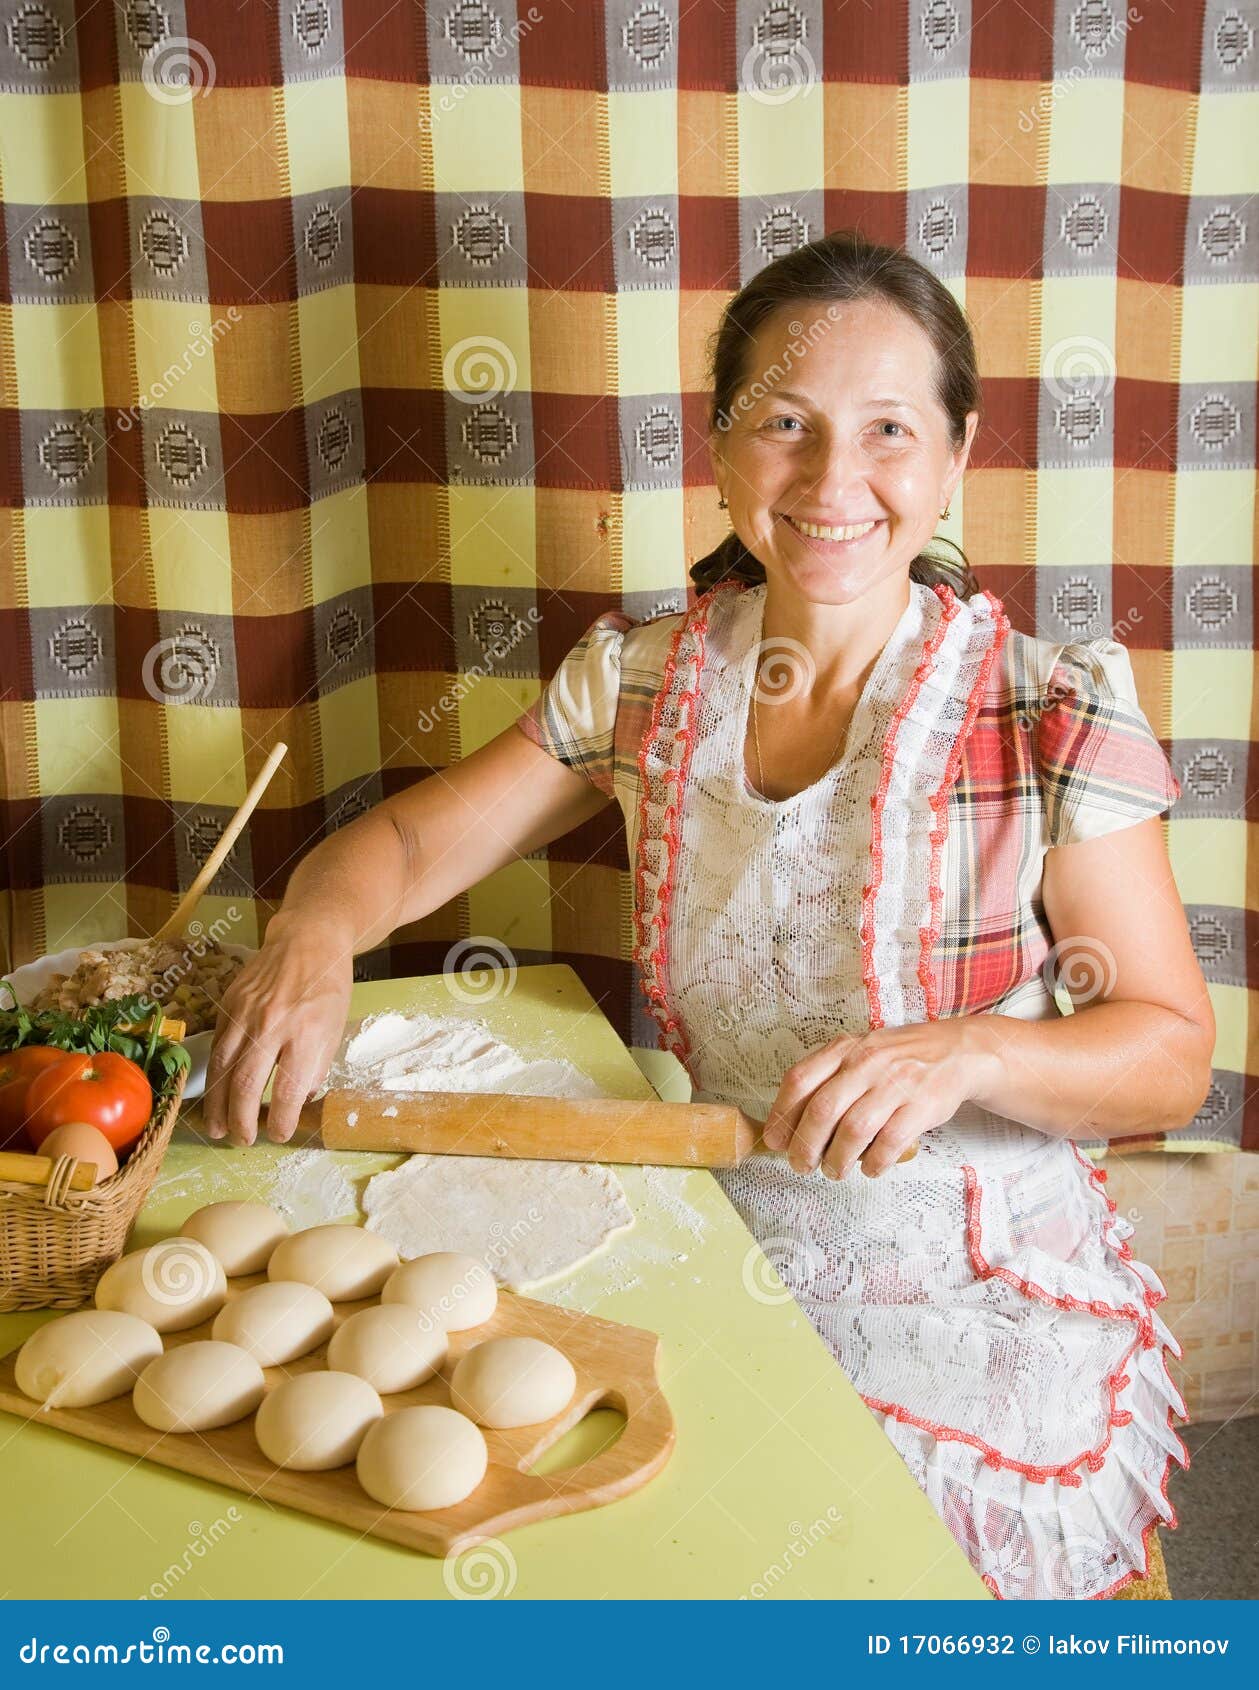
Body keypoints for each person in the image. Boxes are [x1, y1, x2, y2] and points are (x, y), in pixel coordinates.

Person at [205, 230, 1213, 1600]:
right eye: (783, 423)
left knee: (837, 1573)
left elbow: (1167, 1049)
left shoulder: (1046, 705)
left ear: (957, 456)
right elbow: (398, 841)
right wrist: (316, 935)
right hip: (727, 1224)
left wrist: (969, 1051)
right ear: (724, 445)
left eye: (887, 430)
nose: (831, 479)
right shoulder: (640, 684)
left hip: (973, 1279)